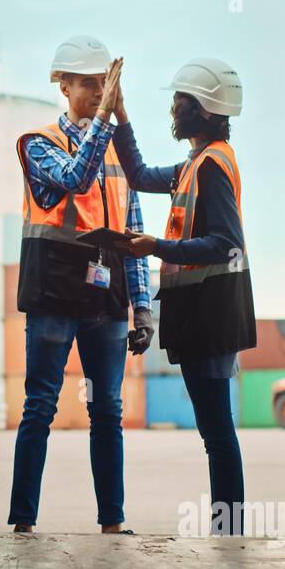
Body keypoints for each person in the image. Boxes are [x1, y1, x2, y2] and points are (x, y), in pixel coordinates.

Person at [8, 35, 155, 534]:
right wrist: (105, 123)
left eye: (103, 84)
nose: (98, 92)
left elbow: (134, 230)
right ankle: (23, 522)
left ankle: (112, 522)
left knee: (107, 410)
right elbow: (73, 177)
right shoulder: (38, 144)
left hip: (105, 301)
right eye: (88, 84)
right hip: (52, 296)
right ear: (62, 85)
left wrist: (144, 309)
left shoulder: (117, 152)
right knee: (40, 405)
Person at [114, 58, 257, 535]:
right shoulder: (194, 164)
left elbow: (225, 242)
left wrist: (156, 246)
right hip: (201, 311)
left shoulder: (212, 167)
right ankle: (227, 530)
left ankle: (229, 533)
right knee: (214, 434)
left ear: (209, 111)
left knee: (218, 435)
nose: (174, 109)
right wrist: (121, 115)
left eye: (183, 102)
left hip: (213, 312)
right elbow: (136, 175)